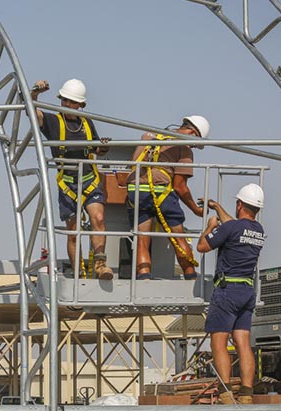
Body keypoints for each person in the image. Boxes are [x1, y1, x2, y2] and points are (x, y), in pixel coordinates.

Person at [30, 78, 113, 280]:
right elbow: (32, 112)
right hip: (67, 182)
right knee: (73, 230)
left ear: (81, 105)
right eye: (65, 101)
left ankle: (101, 265)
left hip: (89, 179)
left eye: (72, 102)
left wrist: (103, 146)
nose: (67, 105)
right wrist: (35, 93)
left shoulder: (86, 124)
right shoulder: (53, 121)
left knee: (99, 218)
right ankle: (78, 273)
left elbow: (97, 150)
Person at [197, 183, 266, 405]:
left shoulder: (230, 229)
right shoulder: (258, 231)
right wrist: (217, 207)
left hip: (227, 291)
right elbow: (234, 226)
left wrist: (209, 226)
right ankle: (246, 393)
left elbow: (202, 247)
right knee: (242, 342)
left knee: (218, 342)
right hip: (247, 291)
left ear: (239, 205)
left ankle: (225, 393)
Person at [126, 115, 210, 280]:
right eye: (195, 143)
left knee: (142, 238)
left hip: (137, 192)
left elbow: (133, 164)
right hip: (161, 193)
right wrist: (196, 210)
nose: (192, 146)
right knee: (179, 237)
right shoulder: (183, 148)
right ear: (193, 133)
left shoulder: (149, 136)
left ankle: (144, 277)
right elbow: (180, 186)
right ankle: (191, 277)